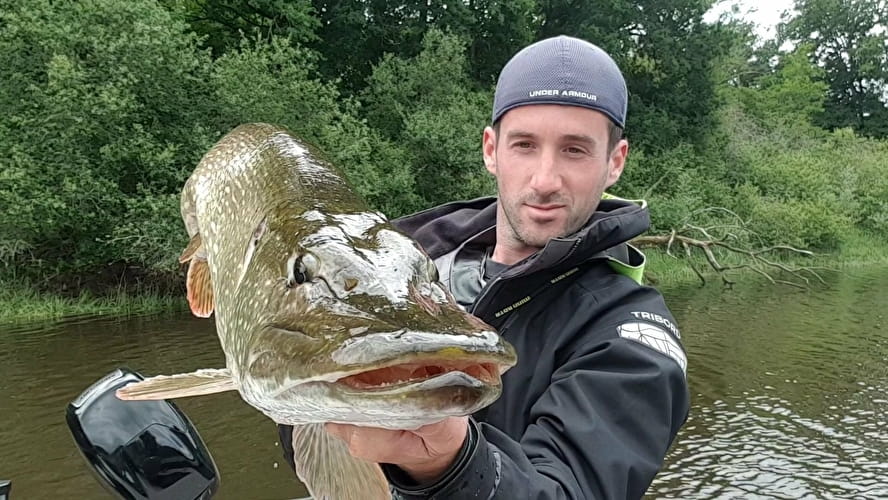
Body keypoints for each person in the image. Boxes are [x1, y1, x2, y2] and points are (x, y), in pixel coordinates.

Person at [279, 35, 689, 499]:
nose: (544, 180)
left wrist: (447, 463)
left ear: (614, 162)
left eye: (575, 150)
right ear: (491, 149)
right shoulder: (405, 261)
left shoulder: (633, 337)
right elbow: (304, 431)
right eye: (525, 145)